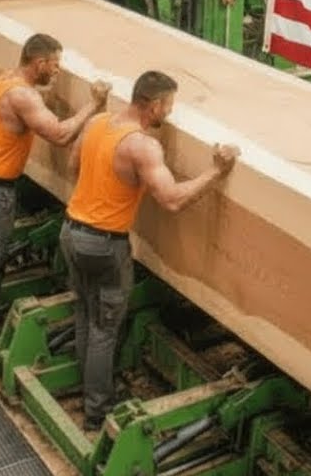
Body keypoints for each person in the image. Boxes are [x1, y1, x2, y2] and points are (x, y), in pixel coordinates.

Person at [60, 70, 239, 431]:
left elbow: (73, 165)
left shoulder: (97, 122)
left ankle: (87, 387)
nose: (169, 114)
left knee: (85, 314)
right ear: (153, 104)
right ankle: (97, 411)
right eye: (168, 106)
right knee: (104, 328)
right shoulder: (142, 145)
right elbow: (172, 200)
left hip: (71, 232)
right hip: (104, 246)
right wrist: (217, 172)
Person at [0, 33, 111, 371]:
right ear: (38, 63)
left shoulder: (6, 80)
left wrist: (53, 93)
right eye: (54, 66)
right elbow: (61, 135)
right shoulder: (23, 97)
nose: (57, 72)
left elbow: (37, 103)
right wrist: (93, 105)